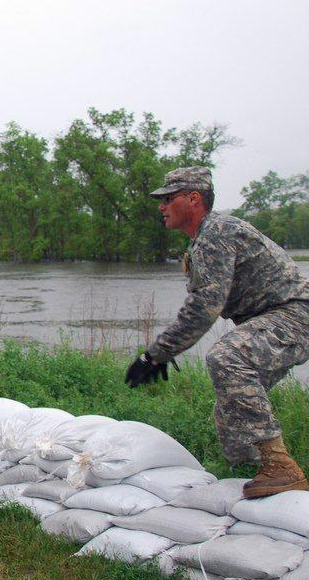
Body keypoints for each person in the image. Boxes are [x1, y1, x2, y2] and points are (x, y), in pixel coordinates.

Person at [127, 166, 309, 498]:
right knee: (231, 405)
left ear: (193, 199)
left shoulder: (217, 233)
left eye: (168, 199)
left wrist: (156, 354)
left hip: (295, 314)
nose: (161, 207)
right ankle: (261, 473)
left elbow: (204, 308)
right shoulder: (203, 239)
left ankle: (281, 467)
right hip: (279, 317)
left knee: (227, 357)